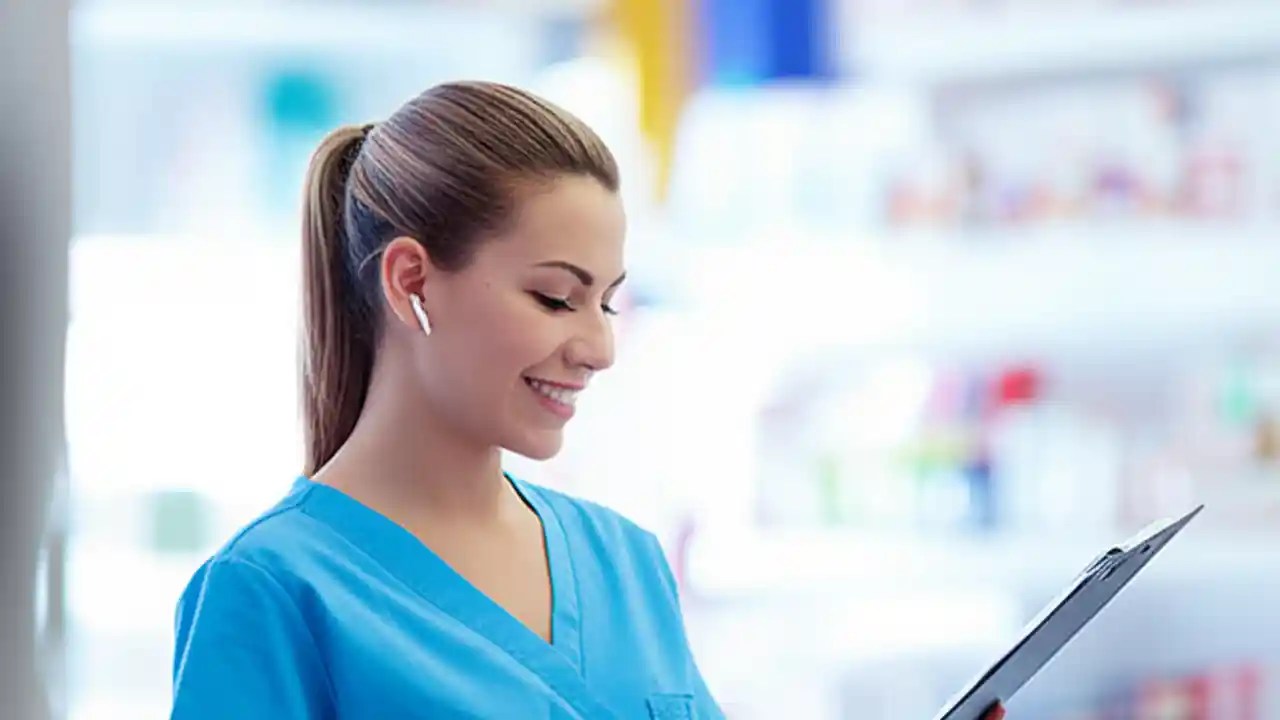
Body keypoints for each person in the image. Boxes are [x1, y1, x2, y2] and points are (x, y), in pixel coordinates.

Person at [168, 80, 1007, 720]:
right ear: (412, 281)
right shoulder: (270, 592)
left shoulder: (625, 563)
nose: (599, 349)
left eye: (607, 302)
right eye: (555, 299)